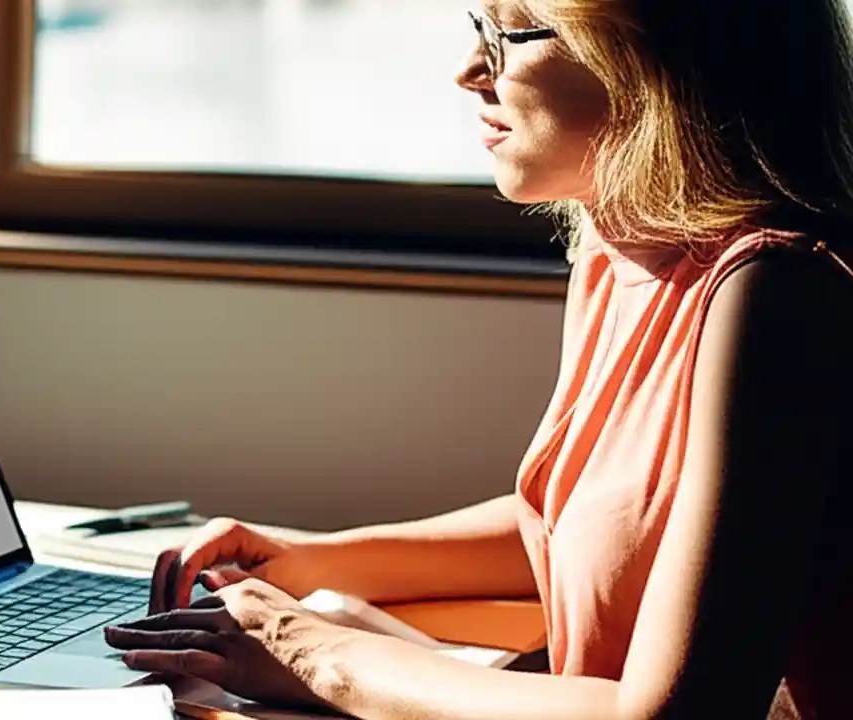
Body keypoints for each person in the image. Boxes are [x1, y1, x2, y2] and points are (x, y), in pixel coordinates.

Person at [103, 1, 853, 718]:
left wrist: (313, 653)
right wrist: (317, 562)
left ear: (656, 58)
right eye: (479, 27)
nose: (469, 71)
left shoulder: (778, 291)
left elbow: (678, 711)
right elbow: (600, 525)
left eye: (512, 34)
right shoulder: (618, 249)